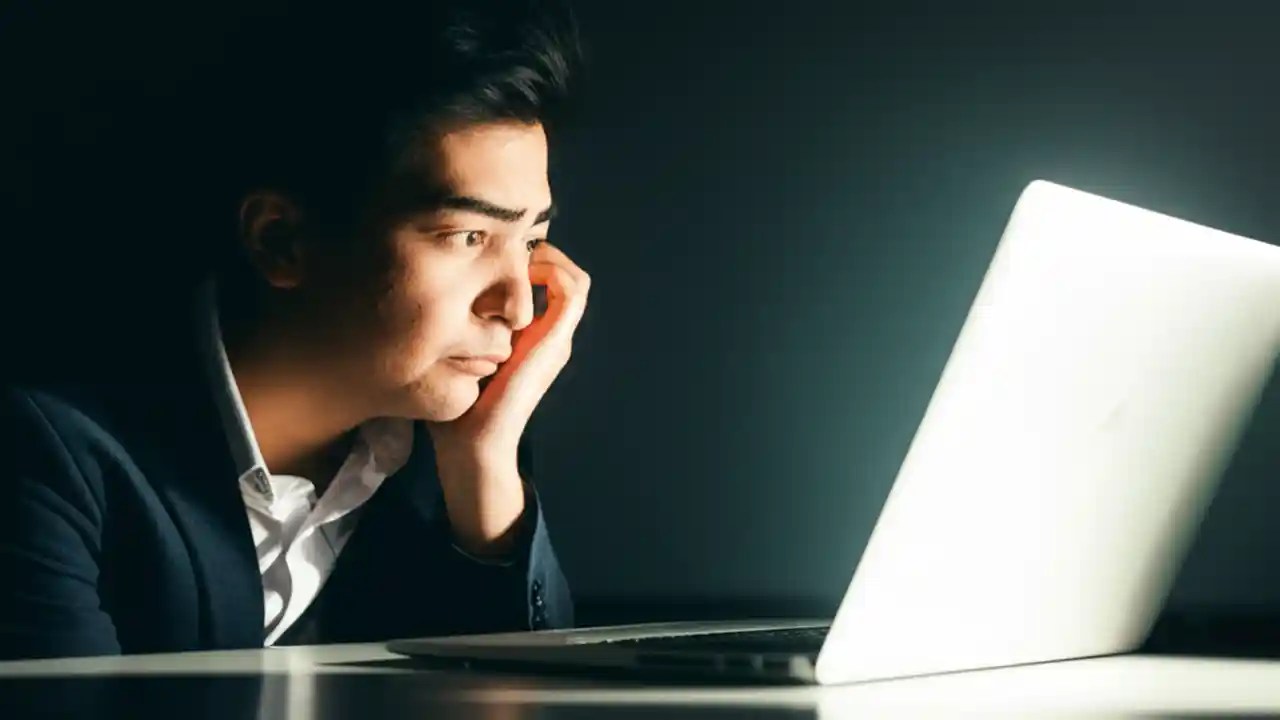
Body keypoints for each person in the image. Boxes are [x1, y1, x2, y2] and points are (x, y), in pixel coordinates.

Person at [0, 0, 586, 659]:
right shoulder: (50, 452)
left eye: (532, 239)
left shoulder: (444, 462)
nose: (517, 305)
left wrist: (484, 469)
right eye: (466, 236)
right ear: (282, 241)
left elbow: (534, 692)